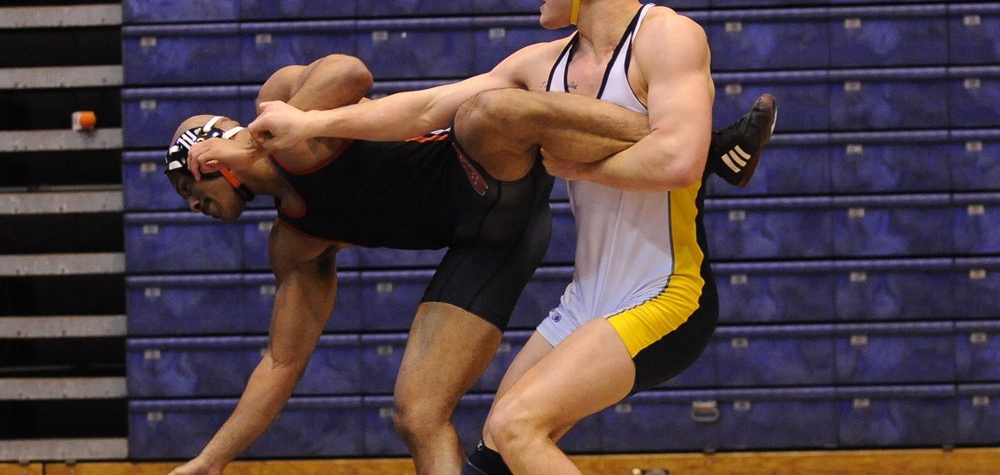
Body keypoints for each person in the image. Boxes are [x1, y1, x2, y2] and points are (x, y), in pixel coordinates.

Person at [237, 0, 777, 475]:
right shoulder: (543, 63)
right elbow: (425, 107)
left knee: (519, 429)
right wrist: (311, 125)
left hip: (668, 296)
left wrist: (579, 167)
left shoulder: (666, 35)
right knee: (497, 449)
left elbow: (679, 159)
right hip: (588, 299)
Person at [167, 52, 773, 475]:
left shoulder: (288, 119)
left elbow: (349, 72)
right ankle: (704, 148)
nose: (197, 208)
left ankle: (701, 142)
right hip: (488, 245)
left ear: (207, 162)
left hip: (486, 168)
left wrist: (251, 137)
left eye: (193, 193)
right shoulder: (296, 242)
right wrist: (214, 457)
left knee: (491, 110)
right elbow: (282, 360)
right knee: (417, 413)